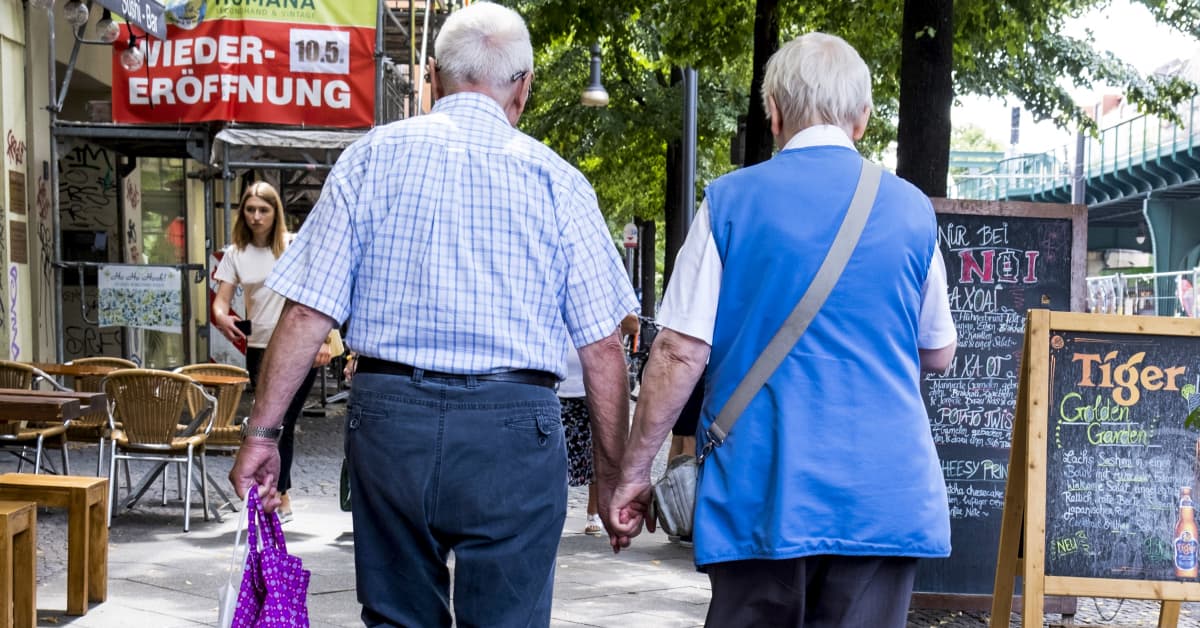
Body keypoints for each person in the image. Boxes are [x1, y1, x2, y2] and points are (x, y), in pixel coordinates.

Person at [228, 3, 637, 626]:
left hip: (392, 424)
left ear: (432, 78)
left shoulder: (368, 160)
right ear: (523, 86)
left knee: (397, 618)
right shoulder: (560, 182)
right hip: (513, 432)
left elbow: (306, 313)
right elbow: (602, 349)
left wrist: (262, 434)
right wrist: (613, 476)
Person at [609, 32, 958, 627]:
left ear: (772, 114)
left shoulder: (729, 202)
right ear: (864, 118)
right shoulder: (910, 209)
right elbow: (939, 351)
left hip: (763, 490)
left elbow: (677, 353)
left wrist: (634, 473)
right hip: (883, 494)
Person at [211, 181, 334, 523]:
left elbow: (318, 295)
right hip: (259, 347)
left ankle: (279, 494)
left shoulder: (292, 245)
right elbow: (220, 303)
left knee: (285, 421)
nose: (256, 216)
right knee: (269, 421)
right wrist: (224, 319)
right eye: (250, 209)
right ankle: (277, 493)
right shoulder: (236, 252)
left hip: (298, 347)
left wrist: (325, 340)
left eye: (263, 209)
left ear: (275, 211)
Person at [557, 347, 604, 536]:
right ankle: (557, 512)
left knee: (596, 449)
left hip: (592, 385)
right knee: (556, 452)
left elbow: (631, 324)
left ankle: (593, 513)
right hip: (558, 383)